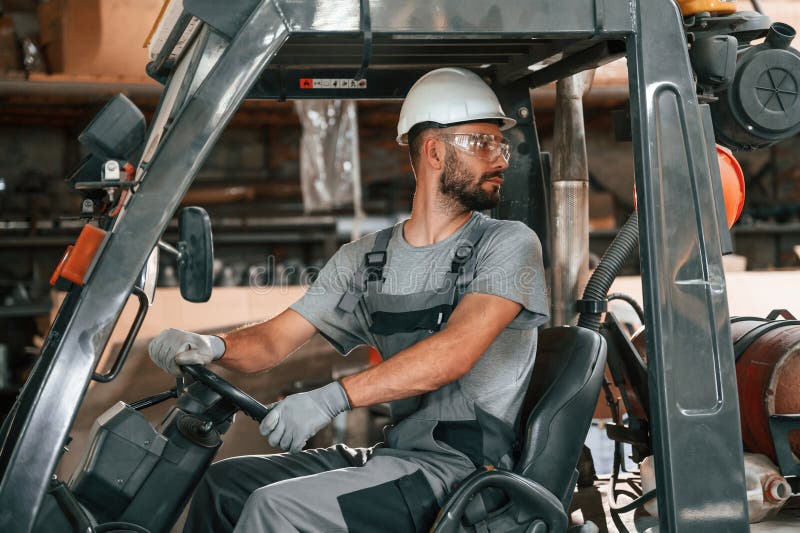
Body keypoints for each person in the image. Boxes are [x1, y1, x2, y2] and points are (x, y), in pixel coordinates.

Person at [148, 67, 549, 532]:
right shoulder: (366, 258)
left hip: (465, 476)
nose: (501, 159)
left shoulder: (507, 243)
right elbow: (275, 340)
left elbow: (453, 353)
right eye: (483, 143)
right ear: (436, 151)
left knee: (276, 509)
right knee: (225, 484)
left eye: (499, 145)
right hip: (399, 455)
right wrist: (210, 346)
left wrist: (330, 399)